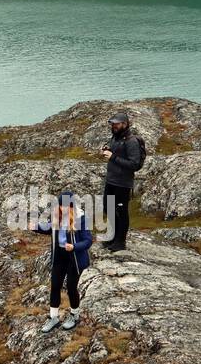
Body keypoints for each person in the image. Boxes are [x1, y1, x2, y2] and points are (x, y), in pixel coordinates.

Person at [34, 190, 92, 333]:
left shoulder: (81, 218)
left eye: (66, 206)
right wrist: (35, 226)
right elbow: (49, 229)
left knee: (71, 287)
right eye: (61, 206)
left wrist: (74, 247)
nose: (63, 209)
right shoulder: (57, 216)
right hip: (59, 256)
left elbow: (88, 240)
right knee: (55, 286)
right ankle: (53, 317)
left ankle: (74, 315)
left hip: (75, 258)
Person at [100, 110, 144, 251]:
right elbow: (116, 153)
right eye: (112, 124)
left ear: (125, 124)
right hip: (111, 181)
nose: (113, 126)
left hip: (123, 184)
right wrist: (107, 150)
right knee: (108, 208)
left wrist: (112, 157)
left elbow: (134, 164)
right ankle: (112, 237)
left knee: (121, 211)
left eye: (116, 124)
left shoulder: (132, 142)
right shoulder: (115, 138)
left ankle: (120, 242)